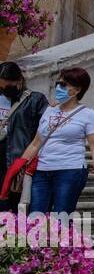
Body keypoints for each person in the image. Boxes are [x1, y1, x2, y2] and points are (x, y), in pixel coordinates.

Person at [17, 67, 94, 216]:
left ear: (77, 90)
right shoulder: (49, 110)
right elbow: (36, 143)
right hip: (42, 171)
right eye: (58, 83)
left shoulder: (88, 114)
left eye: (64, 85)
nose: (58, 88)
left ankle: (63, 240)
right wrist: (19, 165)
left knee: (61, 217)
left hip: (70, 170)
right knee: (35, 218)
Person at [0, 61, 49, 213]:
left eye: (7, 86)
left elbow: (45, 132)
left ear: (19, 81)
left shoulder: (35, 100)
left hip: (17, 163)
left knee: (14, 210)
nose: (4, 90)